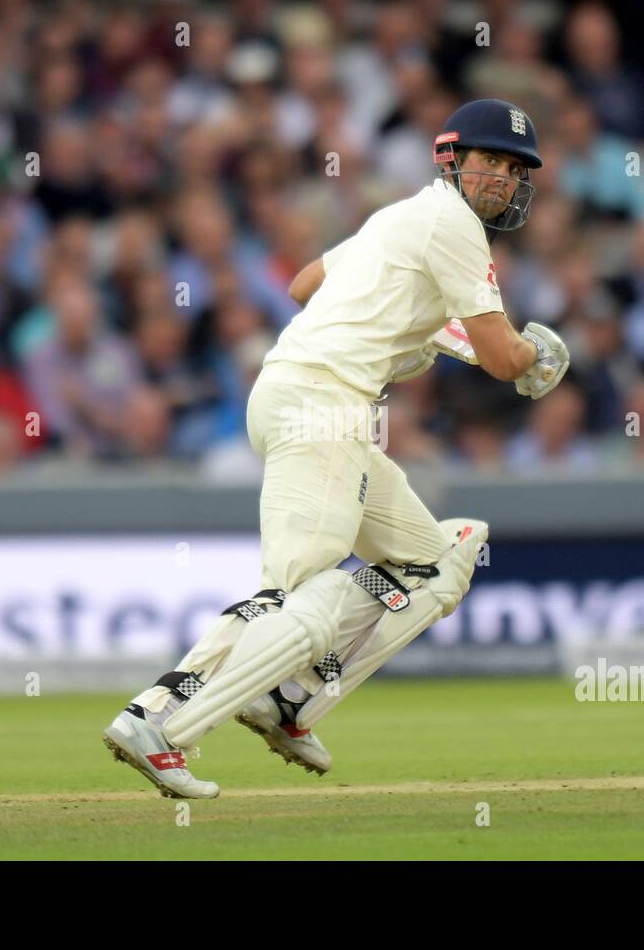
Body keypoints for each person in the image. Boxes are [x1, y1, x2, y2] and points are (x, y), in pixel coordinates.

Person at [103, 98, 570, 798]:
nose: (502, 179)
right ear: (451, 160)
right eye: (490, 162)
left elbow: (304, 285)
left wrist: (433, 332)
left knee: (432, 560)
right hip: (323, 405)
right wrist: (538, 353)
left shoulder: (399, 217)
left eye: (513, 168)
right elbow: (507, 360)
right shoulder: (455, 226)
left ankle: (291, 700)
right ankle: (159, 721)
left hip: (305, 398)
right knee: (296, 595)